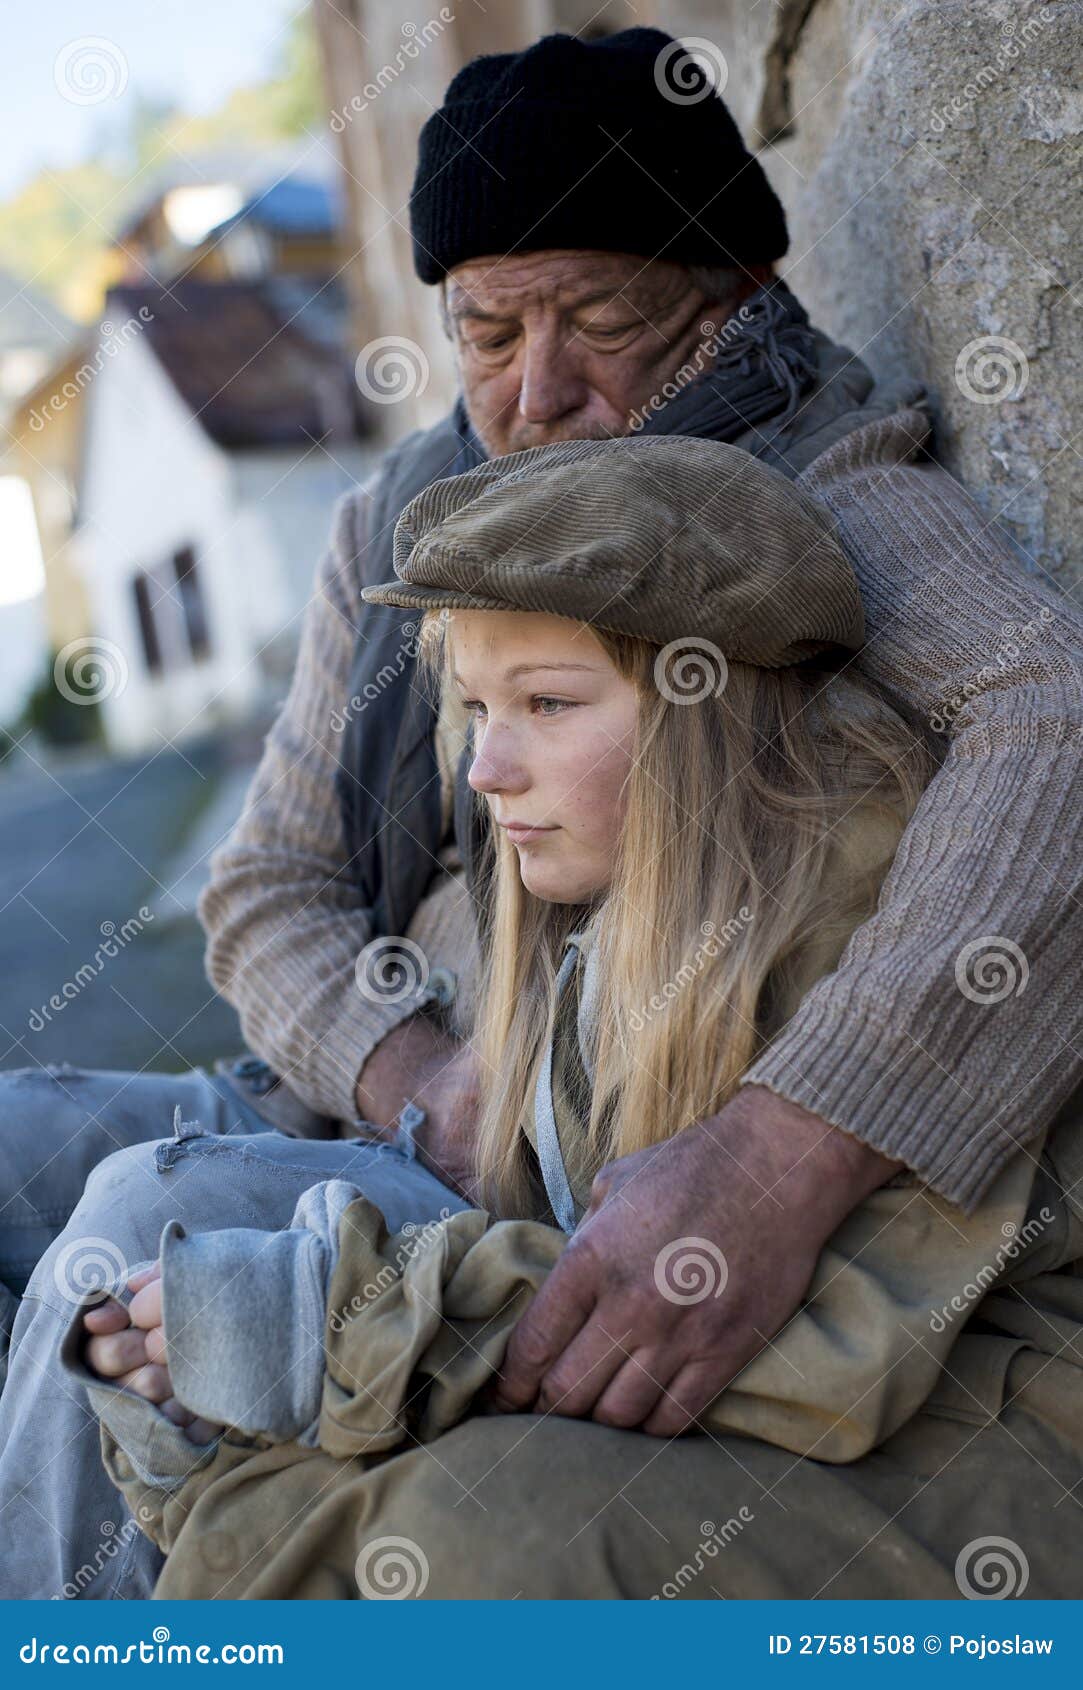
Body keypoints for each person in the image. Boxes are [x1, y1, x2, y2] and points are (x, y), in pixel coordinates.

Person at [2, 26, 1081, 1594]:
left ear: (727, 303)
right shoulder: (401, 521)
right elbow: (266, 889)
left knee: (132, 1226)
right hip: (401, 1095)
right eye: (490, 329)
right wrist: (426, 1078)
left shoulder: (811, 493)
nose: (540, 388)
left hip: (536, 1168)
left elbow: (1048, 715)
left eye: (601, 318)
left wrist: (790, 1147)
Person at [60, 439, 1083, 1599]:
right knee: (335, 1504)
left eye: (549, 702)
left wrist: (341, 1322)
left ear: (709, 709)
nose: (488, 769)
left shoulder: (861, 910)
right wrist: (216, 1421)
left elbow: (812, 1359)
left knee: (489, 1526)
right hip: (809, 1445)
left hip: (1006, 1448)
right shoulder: (597, 937)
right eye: (478, 708)